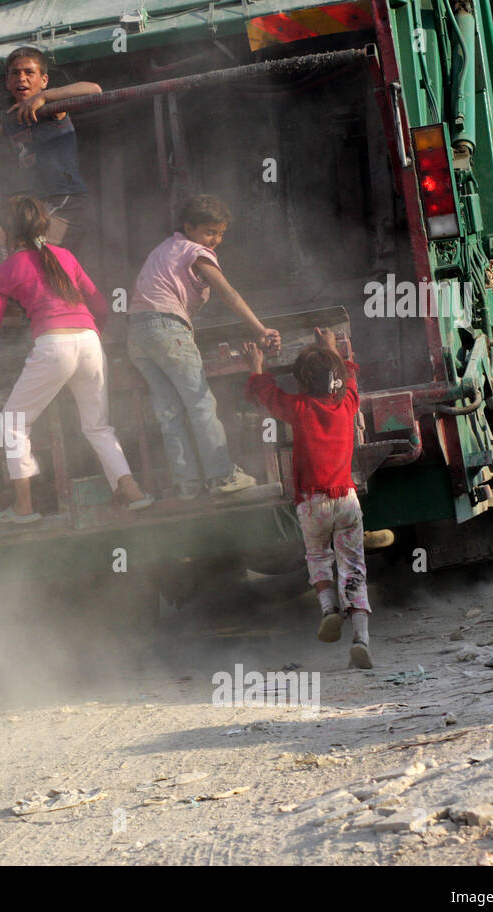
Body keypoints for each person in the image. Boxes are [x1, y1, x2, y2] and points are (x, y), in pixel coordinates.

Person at [0, 196, 152, 523]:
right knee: (98, 426)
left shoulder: (5, 271)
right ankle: (133, 493)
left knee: (13, 422)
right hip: (89, 342)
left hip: (53, 347)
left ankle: (24, 507)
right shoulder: (64, 256)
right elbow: (100, 306)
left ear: (6, 233)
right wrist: (87, 335)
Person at [126, 195, 280, 501]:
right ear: (189, 227)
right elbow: (229, 293)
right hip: (168, 329)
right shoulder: (194, 251)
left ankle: (187, 484)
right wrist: (260, 329)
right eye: (210, 232)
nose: (216, 240)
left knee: (169, 411)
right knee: (200, 405)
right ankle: (222, 475)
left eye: (221, 233)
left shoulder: (163, 249)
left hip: (137, 335)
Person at [242, 328, 373, 669]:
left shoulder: (299, 408)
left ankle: (329, 609)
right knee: (353, 566)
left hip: (312, 503)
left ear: (302, 381)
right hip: (346, 498)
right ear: (336, 380)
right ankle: (361, 637)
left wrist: (256, 366)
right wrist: (334, 350)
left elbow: (268, 395)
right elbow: (350, 380)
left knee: (317, 556)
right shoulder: (347, 404)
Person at [0, 46, 99, 263]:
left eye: (29, 72)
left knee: (29, 252)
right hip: (39, 206)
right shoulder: (9, 118)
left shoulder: (53, 107)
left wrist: (44, 97)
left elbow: (93, 89)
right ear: (7, 82)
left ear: (44, 80)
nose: (21, 78)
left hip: (67, 201)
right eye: (15, 73)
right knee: (8, 241)